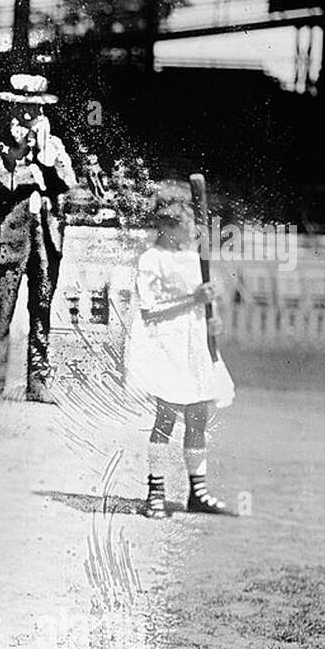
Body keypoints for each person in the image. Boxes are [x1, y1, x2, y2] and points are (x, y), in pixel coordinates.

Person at [125, 183, 237, 519]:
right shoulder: (151, 260)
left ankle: (197, 493)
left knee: (198, 417)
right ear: (168, 227)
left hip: (196, 341)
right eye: (185, 227)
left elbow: (205, 301)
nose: (192, 232)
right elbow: (149, 310)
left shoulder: (191, 257)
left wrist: (212, 316)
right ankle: (155, 492)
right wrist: (194, 299)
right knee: (166, 418)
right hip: (167, 344)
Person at [0, 73, 77, 405]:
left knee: (42, 309)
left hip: (46, 240)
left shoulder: (55, 145)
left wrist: (46, 160)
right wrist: (33, 169)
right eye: (20, 108)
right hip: (8, 241)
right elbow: (0, 181)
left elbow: (68, 180)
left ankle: (38, 382)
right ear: (10, 108)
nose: (27, 115)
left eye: (33, 109)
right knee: (2, 314)